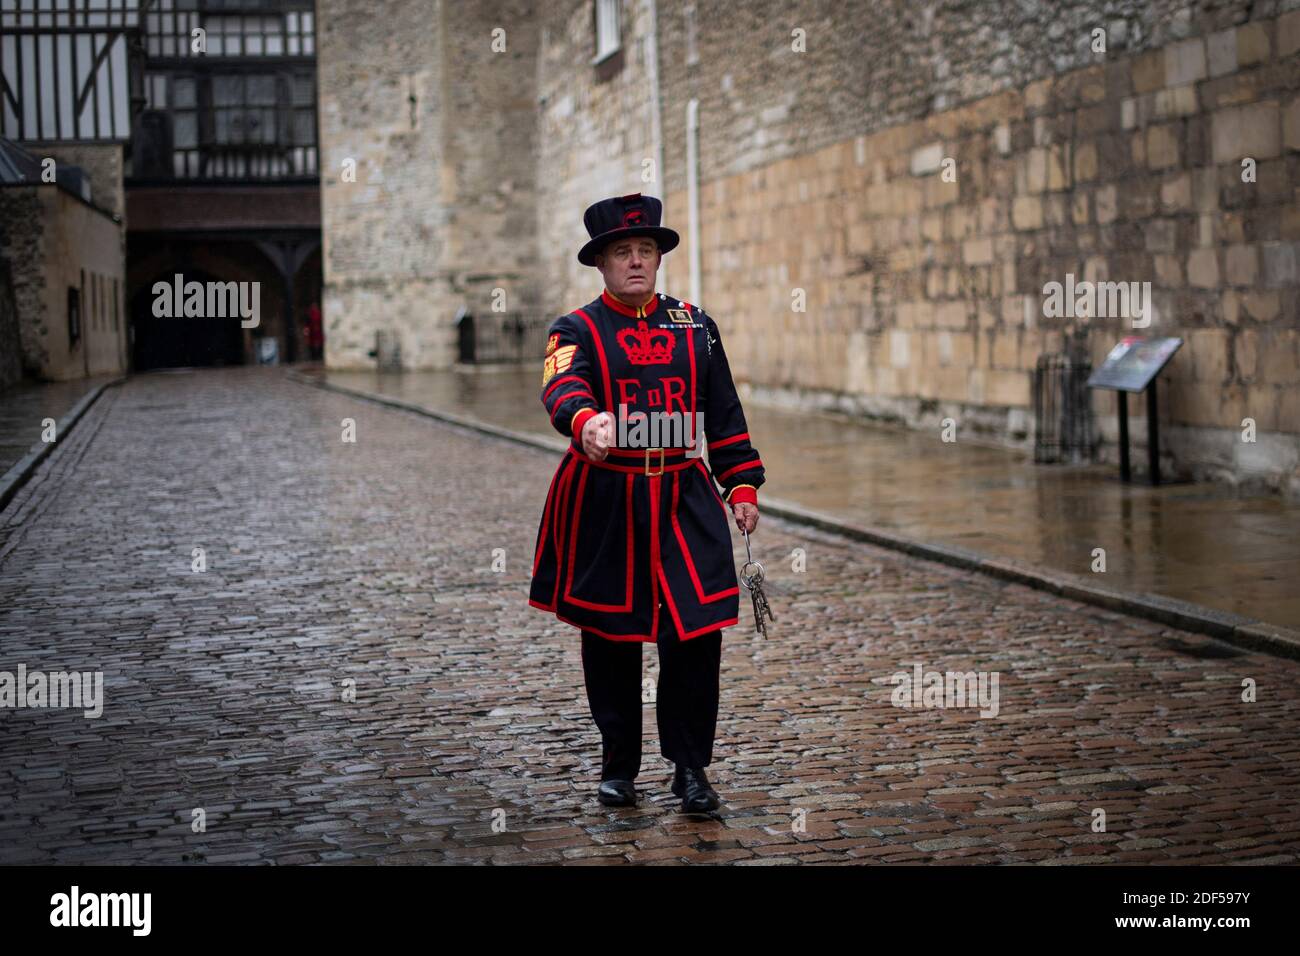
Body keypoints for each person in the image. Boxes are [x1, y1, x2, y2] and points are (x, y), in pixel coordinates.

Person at [527, 192, 764, 813]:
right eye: (622, 252)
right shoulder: (574, 328)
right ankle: (618, 766)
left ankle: (690, 769)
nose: (636, 262)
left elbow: (726, 411)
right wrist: (584, 421)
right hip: (608, 498)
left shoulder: (696, 325)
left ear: (658, 259)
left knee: (695, 632)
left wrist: (740, 483)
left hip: (685, 495)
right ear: (601, 263)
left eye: (646, 251)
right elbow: (562, 384)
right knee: (611, 635)